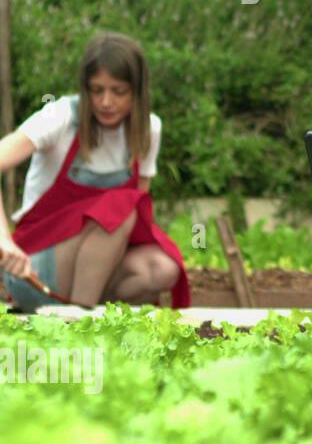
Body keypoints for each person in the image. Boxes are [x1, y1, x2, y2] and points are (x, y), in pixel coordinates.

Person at [0, 32, 190, 311]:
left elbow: (139, 212)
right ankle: (81, 323)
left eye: (118, 91)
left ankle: (85, 312)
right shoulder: (60, 117)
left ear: (137, 92)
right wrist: (4, 242)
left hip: (94, 272)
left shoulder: (149, 130)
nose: (105, 102)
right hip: (34, 271)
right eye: (96, 90)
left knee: (161, 268)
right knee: (121, 208)